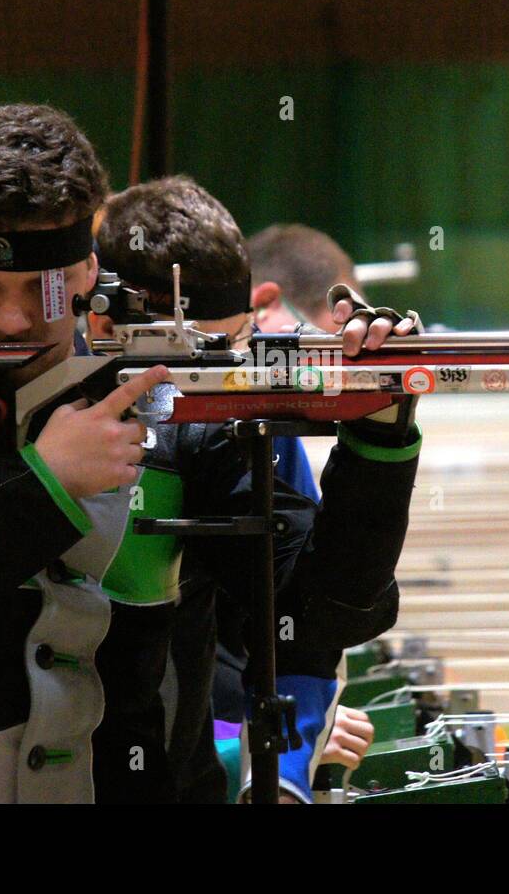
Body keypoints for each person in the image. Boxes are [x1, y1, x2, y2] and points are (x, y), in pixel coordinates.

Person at [0, 103, 422, 803]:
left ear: (88, 272)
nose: (12, 317)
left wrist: (378, 436)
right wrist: (44, 485)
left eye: (42, 287)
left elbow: (320, 620)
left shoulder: (174, 415)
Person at [94, 179, 409, 802]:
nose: (214, 378)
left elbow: (312, 618)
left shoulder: (241, 419)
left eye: (229, 346)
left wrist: (381, 437)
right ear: (100, 324)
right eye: (191, 355)